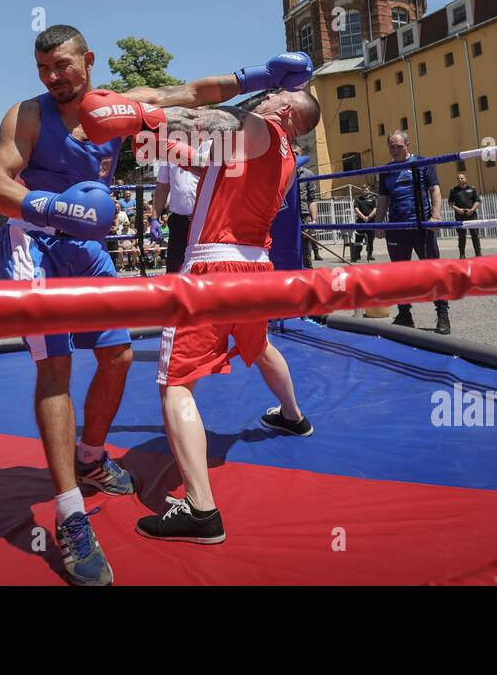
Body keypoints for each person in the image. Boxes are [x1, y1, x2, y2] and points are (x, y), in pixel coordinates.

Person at [0, 23, 312, 585]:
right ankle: (70, 514)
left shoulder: (121, 104)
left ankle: (91, 457)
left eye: (62, 65)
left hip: (88, 248)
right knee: (56, 367)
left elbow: (194, 93)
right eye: (43, 69)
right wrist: (52, 206)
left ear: (88, 60)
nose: (53, 77)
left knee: (118, 356)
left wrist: (256, 76)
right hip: (34, 242)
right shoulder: (28, 115)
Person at [79, 84, 320, 546]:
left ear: (287, 109)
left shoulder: (260, 128)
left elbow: (208, 117)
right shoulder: (281, 155)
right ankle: (292, 416)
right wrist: (143, 135)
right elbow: (198, 161)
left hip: (214, 266)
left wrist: (138, 110)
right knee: (258, 345)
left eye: (273, 95)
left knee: (175, 384)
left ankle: (201, 509)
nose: (264, 98)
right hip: (255, 267)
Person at [375, 131, 449, 334]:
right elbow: (383, 198)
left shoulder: (423, 163)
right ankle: (404, 314)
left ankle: (443, 315)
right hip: (396, 228)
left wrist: (435, 216)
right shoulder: (386, 170)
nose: (395, 150)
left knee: (433, 271)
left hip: (422, 226)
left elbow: (435, 190)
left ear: (407, 145)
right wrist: (379, 223)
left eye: (399, 146)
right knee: (400, 274)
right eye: (391, 147)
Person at [153, 155, 198, 273]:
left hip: (203, 223)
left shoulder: (210, 148)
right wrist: (154, 219)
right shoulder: (168, 153)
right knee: (174, 270)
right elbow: (162, 186)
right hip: (178, 222)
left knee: (202, 271)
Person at [294, 144, 323, 265]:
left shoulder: (308, 174)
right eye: (292, 153)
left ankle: (307, 273)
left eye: (296, 153)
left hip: (304, 216)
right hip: (286, 216)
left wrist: (314, 220)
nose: (294, 156)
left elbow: (312, 198)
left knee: (306, 253)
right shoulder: (280, 172)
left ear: (301, 155)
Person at [448, 173, 481, 257]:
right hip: (460, 216)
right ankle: (462, 255)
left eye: (462, 178)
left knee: (475, 235)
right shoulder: (453, 190)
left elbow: (477, 201)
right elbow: (450, 203)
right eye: (458, 179)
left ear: (466, 179)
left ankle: (478, 254)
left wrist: (472, 209)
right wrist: (457, 209)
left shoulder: (472, 189)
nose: (460, 180)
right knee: (461, 236)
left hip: (472, 215)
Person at [352, 185, 378, 262]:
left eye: (366, 190)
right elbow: (356, 209)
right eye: (363, 190)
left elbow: (375, 209)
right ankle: (357, 255)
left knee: (370, 239)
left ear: (369, 190)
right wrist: (363, 217)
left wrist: (369, 217)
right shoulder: (358, 199)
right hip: (360, 222)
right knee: (359, 239)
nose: (365, 191)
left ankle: (370, 254)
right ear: (361, 191)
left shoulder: (373, 199)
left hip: (371, 222)